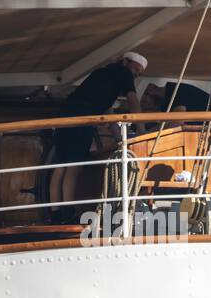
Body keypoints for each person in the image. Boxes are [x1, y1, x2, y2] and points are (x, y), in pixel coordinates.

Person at [50, 51, 147, 220]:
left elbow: (107, 112)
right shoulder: (124, 72)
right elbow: (133, 102)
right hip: (81, 120)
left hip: (66, 115)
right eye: (136, 69)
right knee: (73, 166)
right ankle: (68, 213)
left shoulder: (103, 75)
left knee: (60, 166)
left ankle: (55, 212)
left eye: (139, 73)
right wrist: (141, 130)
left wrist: (119, 139)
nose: (136, 74)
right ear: (125, 62)